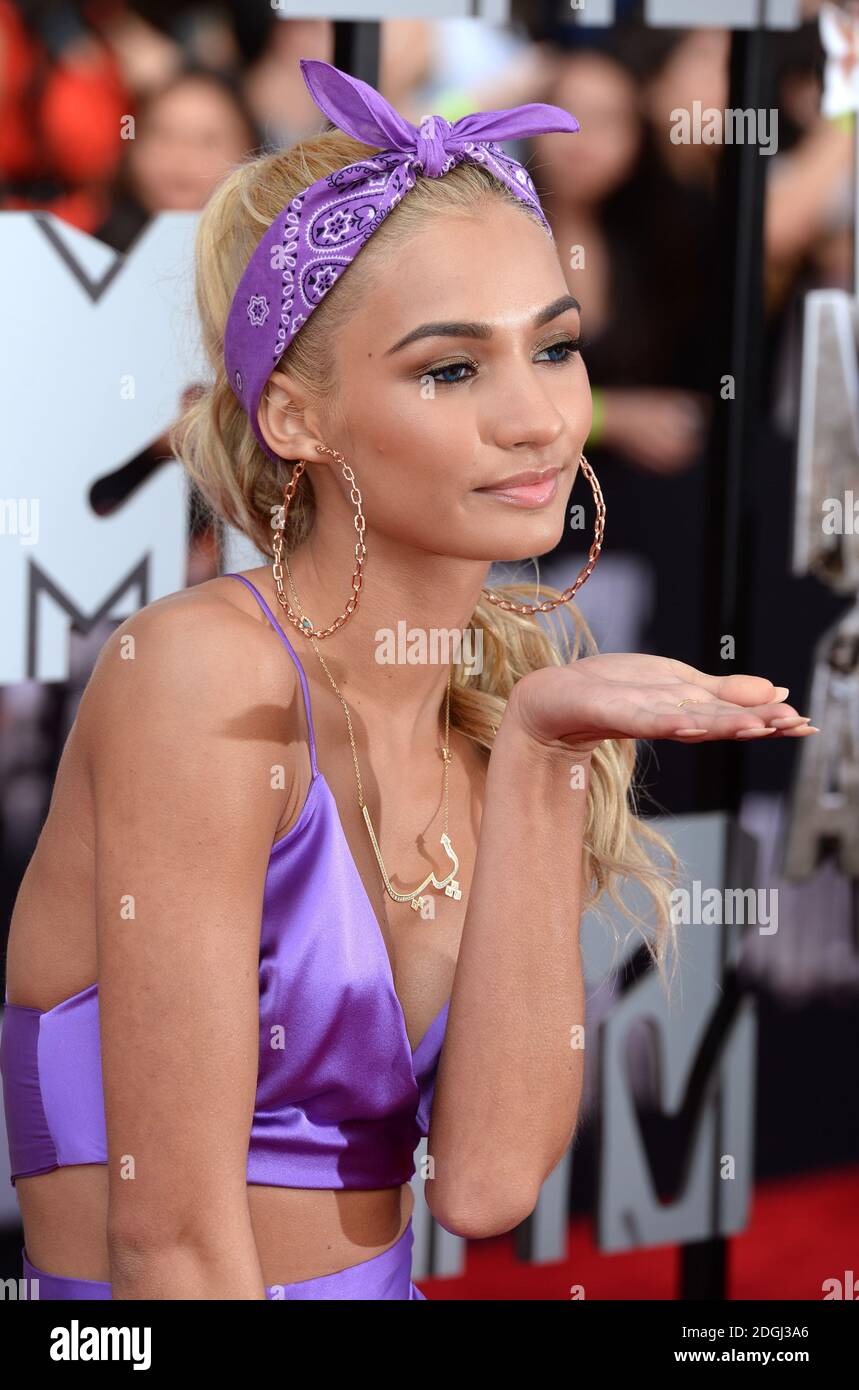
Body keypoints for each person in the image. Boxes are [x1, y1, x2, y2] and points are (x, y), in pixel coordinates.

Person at [0, 59, 815, 1302]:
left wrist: (544, 753)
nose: (536, 419)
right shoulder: (198, 673)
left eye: (554, 349)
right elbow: (168, 1244)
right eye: (450, 369)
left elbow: (488, 1183)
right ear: (295, 419)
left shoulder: (488, 714)